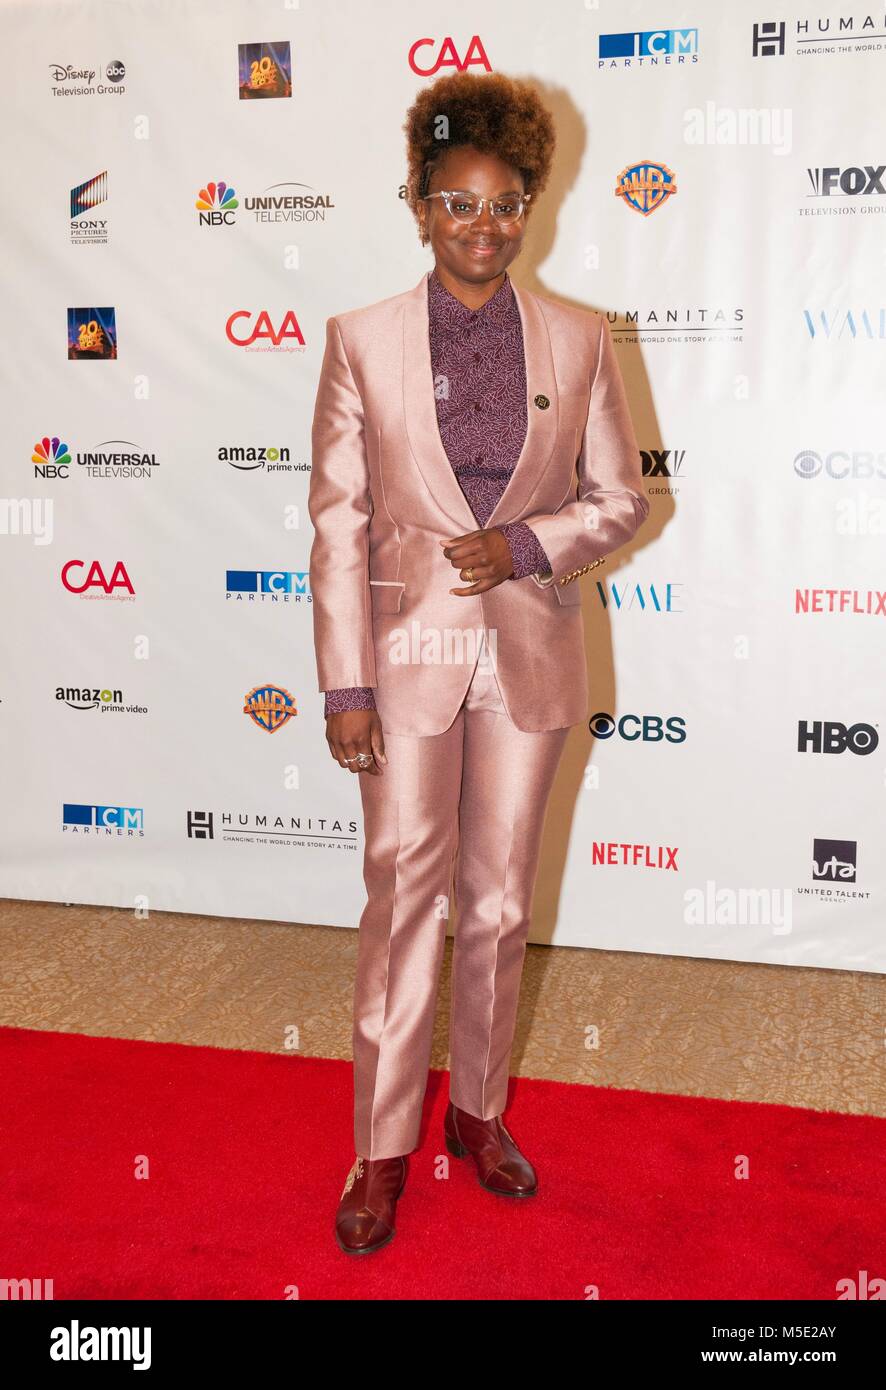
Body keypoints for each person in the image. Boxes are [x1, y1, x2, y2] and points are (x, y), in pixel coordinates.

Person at [308, 70, 649, 1255]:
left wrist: (522, 543)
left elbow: (619, 500)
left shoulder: (578, 338)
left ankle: (480, 1113)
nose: (483, 225)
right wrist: (345, 685)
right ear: (416, 204)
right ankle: (381, 1147)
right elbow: (337, 526)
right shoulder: (360, 341)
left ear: (531, 208)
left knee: (500, 905)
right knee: (405, 898)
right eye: (458, 203)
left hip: (532, 656)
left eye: (506, 204)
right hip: (403, 664)